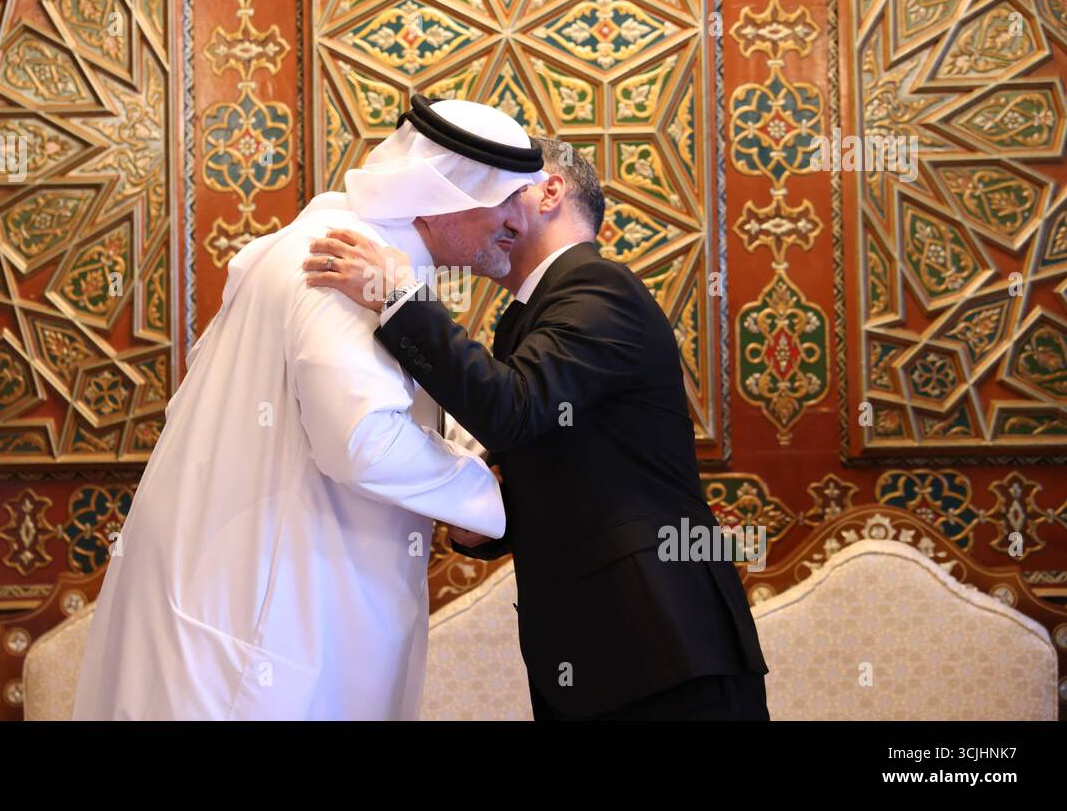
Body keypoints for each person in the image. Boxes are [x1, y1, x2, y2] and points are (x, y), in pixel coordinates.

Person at [73, 96, 545, 720]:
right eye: (504, 198)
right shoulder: (343, 268)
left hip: (259, 601)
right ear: (443, 192)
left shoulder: (355, 259)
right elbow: (362, 442)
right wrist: (485, 497)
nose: (521, 221)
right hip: (262, 630)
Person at [303, 135, 770, 720]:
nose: (485, 207)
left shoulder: (599, 286)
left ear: (550, 191)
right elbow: (569, 467)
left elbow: (514, 407)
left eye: (501, 188)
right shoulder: (528, 317)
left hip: (663, 650)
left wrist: (396, 294)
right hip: (596, 662)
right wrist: (490, 524)